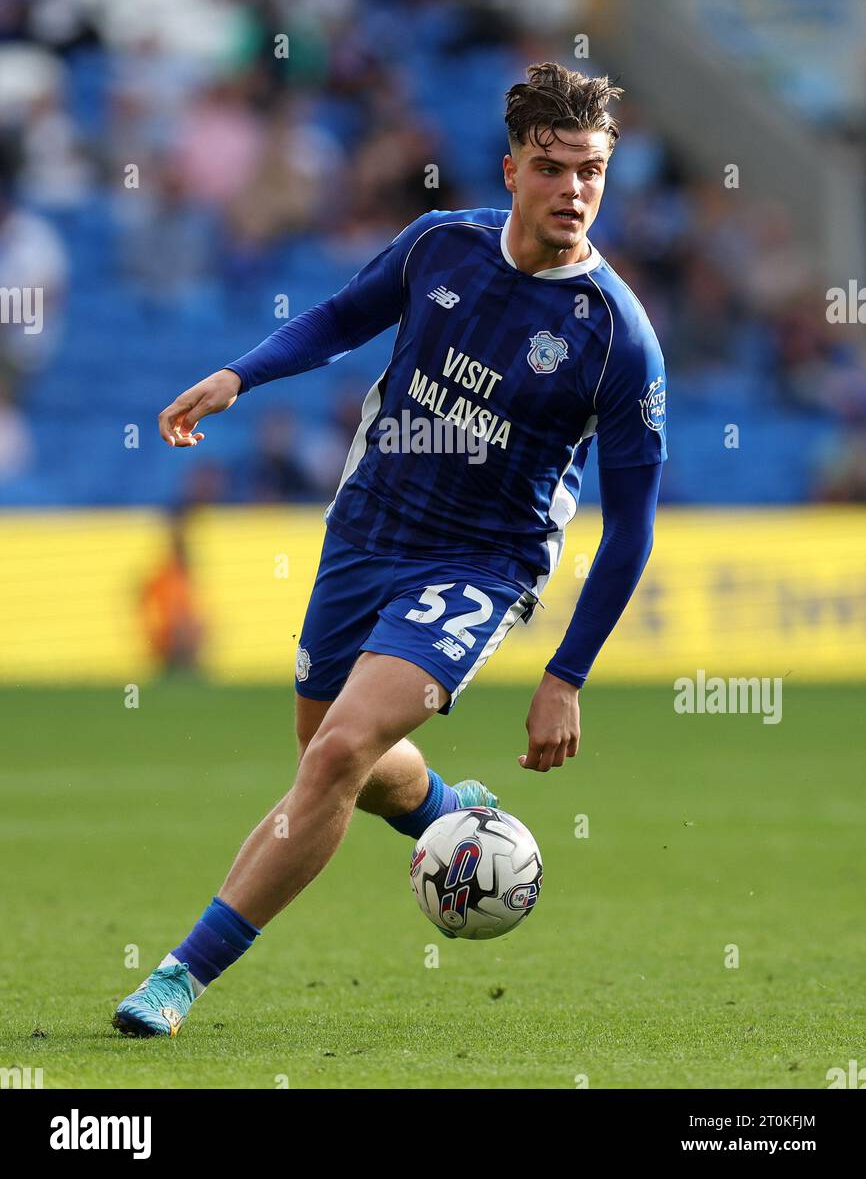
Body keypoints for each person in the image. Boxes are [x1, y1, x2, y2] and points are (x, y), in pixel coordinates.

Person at [113, 62, 667, 1037]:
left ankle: (177, 976)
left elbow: (629, 526)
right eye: (552, 168)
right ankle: (451, 807)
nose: (572, 190)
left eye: (590, 171)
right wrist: (239, 378)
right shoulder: (437, 246)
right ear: (513, 168)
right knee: (339, 754)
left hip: (478, 566)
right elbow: (337, 318)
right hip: (364, 531)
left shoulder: (614, 337)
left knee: (331, 756)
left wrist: (565, 676)